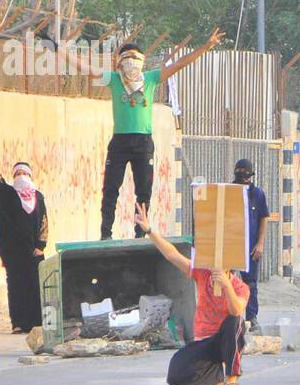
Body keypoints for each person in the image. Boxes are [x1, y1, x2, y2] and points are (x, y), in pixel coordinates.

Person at [62, 30, 223, 240]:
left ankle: (140, 233)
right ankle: (105, 233)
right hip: (119, 141)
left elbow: (179, 65)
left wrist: (205, 47)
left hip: (143, 142)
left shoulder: (151, 78)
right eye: (126, 59)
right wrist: (61, 51)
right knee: (110, 189)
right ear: (119, 64)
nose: (130, 65)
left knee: (143, 192)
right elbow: (86, 69)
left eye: (134, 60)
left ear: (141, 63)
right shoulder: (114, 79)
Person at [135, 205, 248, 385]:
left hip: (225, 341)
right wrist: (149, 230)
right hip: (203, 342)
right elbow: (173, 255)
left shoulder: (239, 286)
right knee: (175, 375)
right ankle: (216, 374)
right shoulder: (202, 273)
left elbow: (237, 310)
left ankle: (232, 376)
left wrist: (227, 286)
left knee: (235, 321)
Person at [0, 141, 48, 333]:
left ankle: (36, 323)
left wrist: (41, 245)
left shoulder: (38, 197)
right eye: (17, 174)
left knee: (34, 287)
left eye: (24, 174)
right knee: (16, 288)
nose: (21, 177)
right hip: (14, 254)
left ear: (31, 176)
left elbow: (44, 222)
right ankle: (18, 323)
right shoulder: (7, 194)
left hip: (34, 252)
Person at [232, 158, 269, 331]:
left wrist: (260, 243)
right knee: (227, 282)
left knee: (250, 284)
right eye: (239, 174)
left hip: (251, 247)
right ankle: (230, 318)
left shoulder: (258, 194)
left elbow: (263, 219)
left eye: (245, 175)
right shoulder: (229, 192)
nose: (242, 178)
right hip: (231, 245)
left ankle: (252, 318)